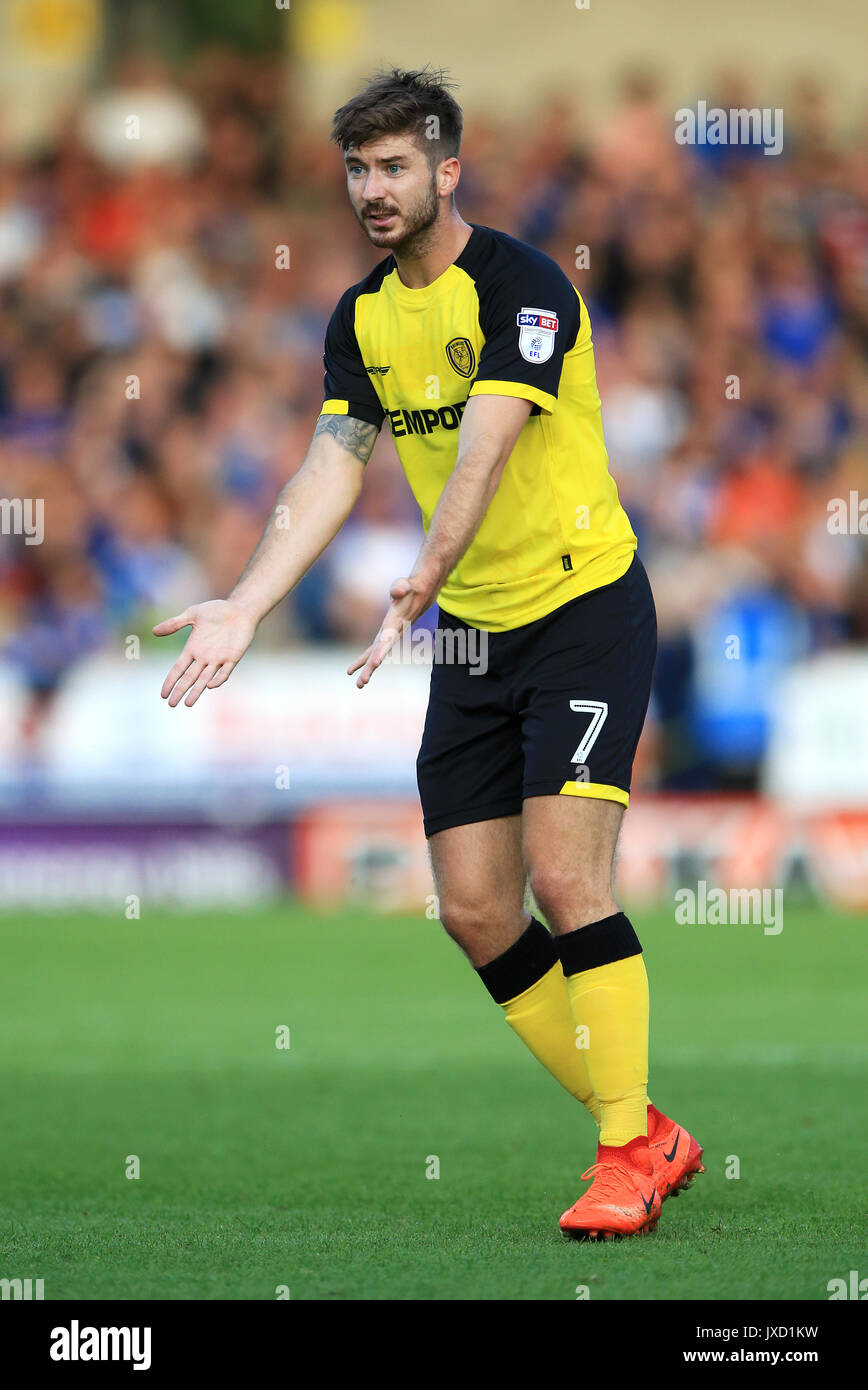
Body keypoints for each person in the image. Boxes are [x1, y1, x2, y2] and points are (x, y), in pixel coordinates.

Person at [155, 67, 703, 1240]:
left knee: (567, 876)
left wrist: (424, 573)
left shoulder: (524, 287)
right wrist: (248, 603)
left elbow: (485, 448)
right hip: (470, 635)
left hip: (581, 610)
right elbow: (330, 466)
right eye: (357, 168)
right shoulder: (358, 316)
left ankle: (620, 1158)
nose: (373, 188)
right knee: (472, 910)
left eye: (396, 165)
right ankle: (648, 1127)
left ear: (448, 170)